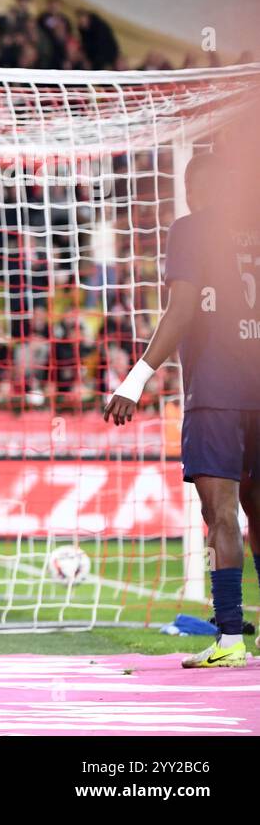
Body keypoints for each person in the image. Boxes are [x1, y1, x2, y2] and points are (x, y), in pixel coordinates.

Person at [104, 151, 260, 667]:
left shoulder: (192, 230)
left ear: (195, 189)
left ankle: (232, 638)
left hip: (215, 390)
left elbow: (182, 307)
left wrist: (135, 377)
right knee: (257, 511)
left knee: (220, 515)